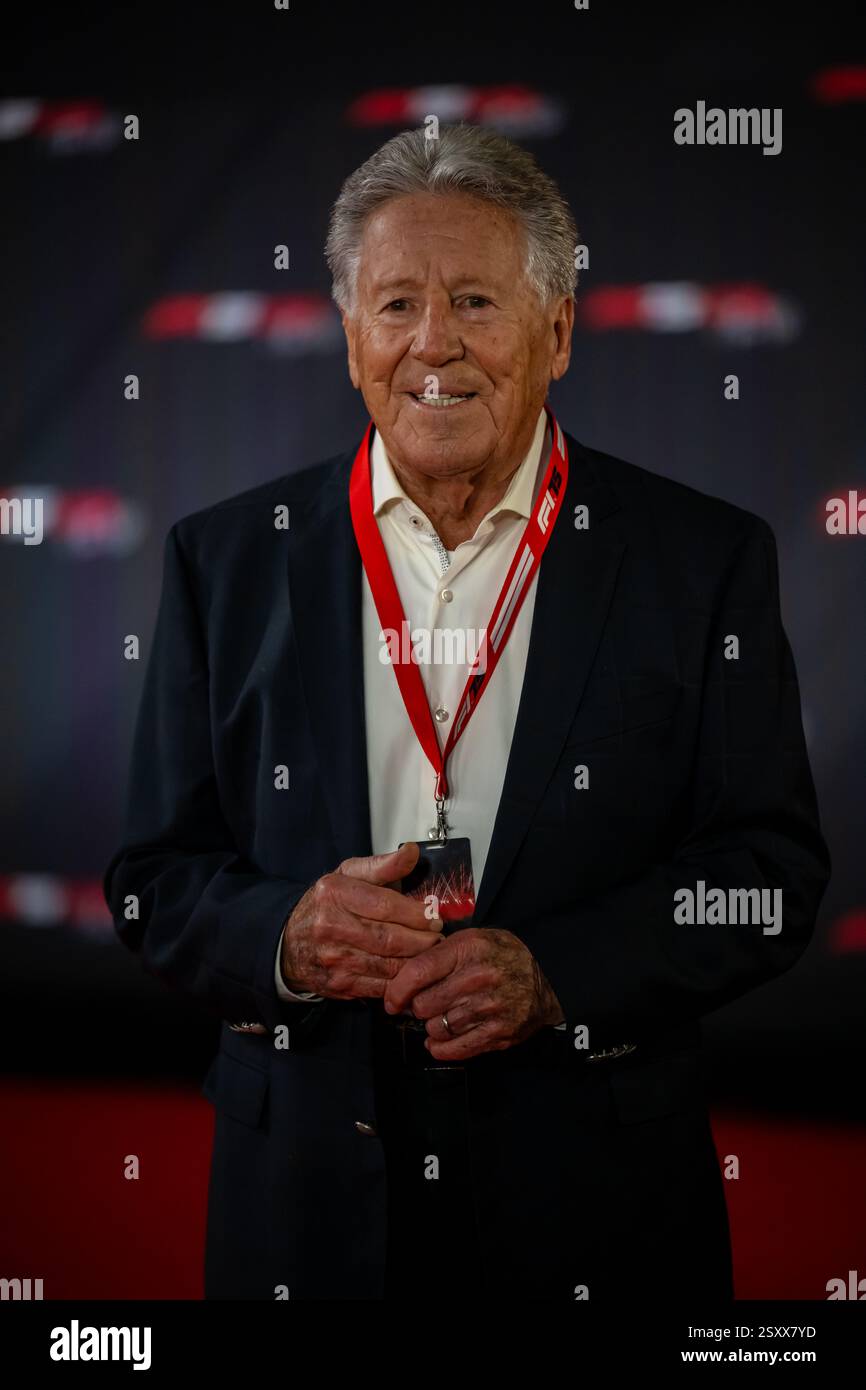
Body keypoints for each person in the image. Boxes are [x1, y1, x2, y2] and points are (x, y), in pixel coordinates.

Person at [104, 122, 830, 1301]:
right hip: (303, 1194)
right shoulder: (223, 561)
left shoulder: (699, 561)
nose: (431, 345)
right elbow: (152, 874)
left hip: (596, 1195)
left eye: (476, 302)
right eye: (394, 306)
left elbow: (769, 868)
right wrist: (284, 935)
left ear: (555, 331)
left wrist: (555, 971)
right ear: (349, 341)